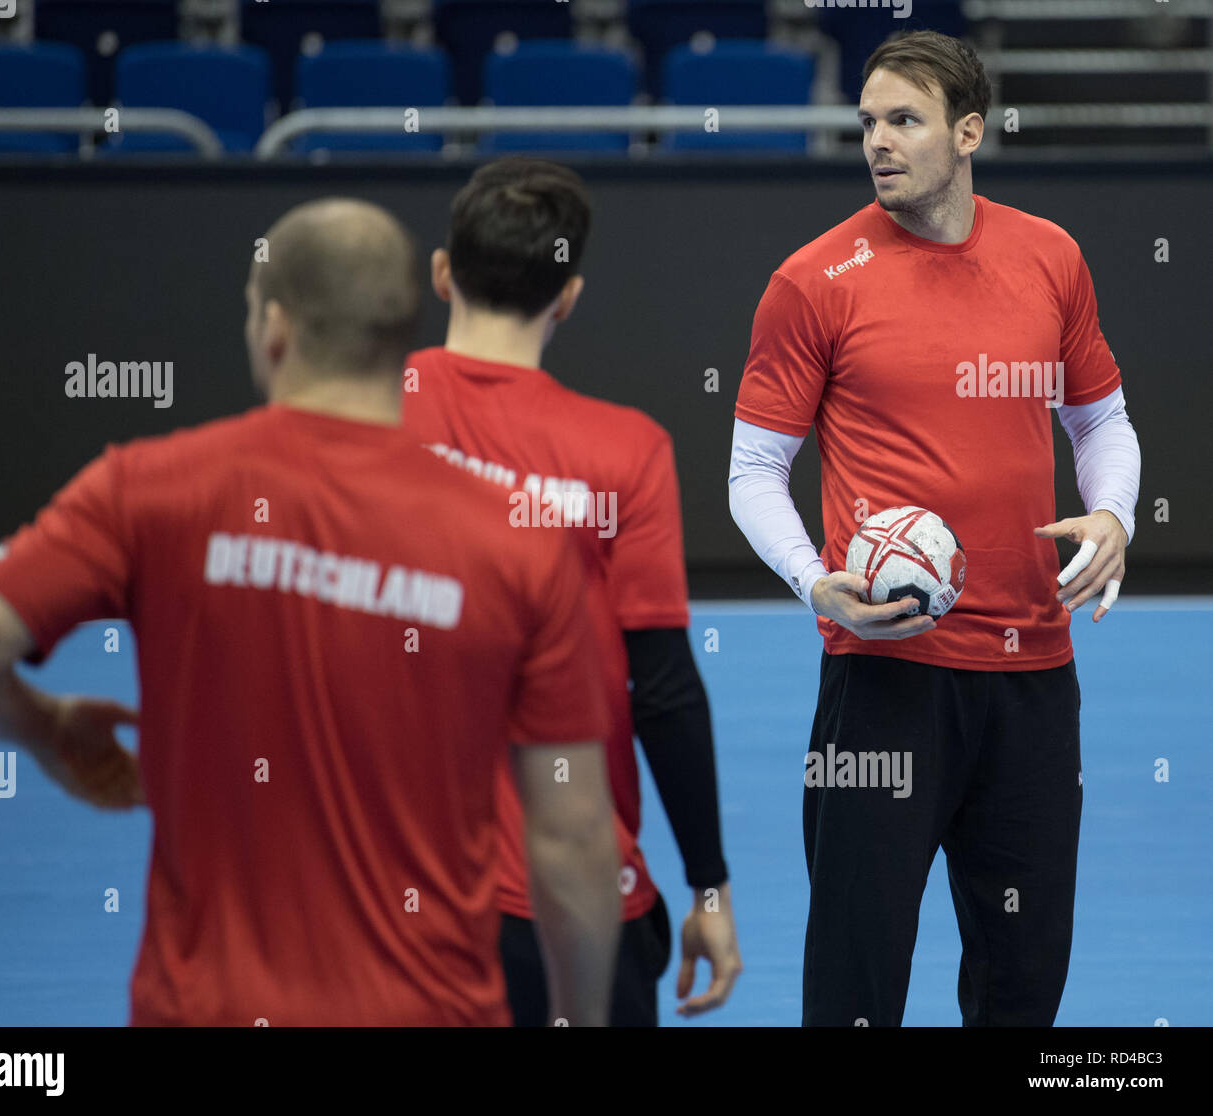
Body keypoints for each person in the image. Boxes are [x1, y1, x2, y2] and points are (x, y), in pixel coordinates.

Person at [0, 198, 622, 1027]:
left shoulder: (148, 487)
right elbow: (571, 834)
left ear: (275, 326)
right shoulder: (519, 542)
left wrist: (48, 726)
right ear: (400, 336)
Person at [729, 31, 1141, 1026]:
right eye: (866, 121)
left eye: (902, 120)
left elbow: (1099, 419)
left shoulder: (1050, 257)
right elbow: (752, 470)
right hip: (882, 680)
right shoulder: (812, 280)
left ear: (967, 131)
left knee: (1023, 979)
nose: (877, 140)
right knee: (855, 981)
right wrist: (811, 580)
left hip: (1034, 677)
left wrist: (1114, 514)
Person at [404, 158, 743, 1026]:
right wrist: (708, 884)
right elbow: (663, 686)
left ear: (443, 274)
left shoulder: (364, 410)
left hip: (386, 896)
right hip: (567, 906)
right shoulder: (625, 451)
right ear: (569, 296)